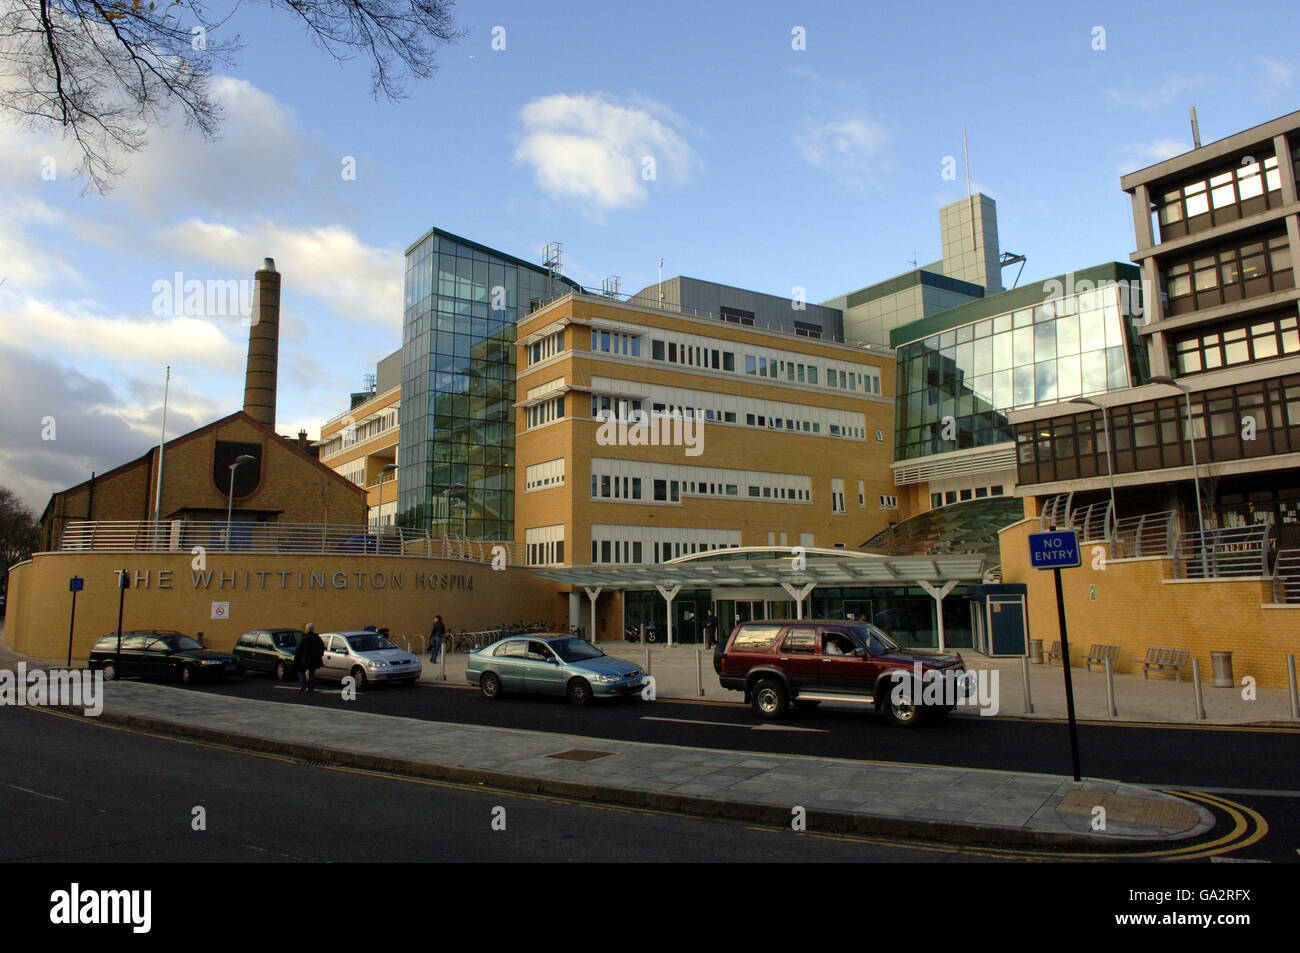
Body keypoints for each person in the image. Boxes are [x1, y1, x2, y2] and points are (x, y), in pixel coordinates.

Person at [294, 622, 325, 693]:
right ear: (313, 629)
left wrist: (297, 658)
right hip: (314, 659)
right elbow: (322, 648)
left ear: (307, 629)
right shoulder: (317, 638)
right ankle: (311, 688)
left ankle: (303, 685)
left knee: (300, 671)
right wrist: (319, 656)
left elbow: (298, 649)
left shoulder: (304, 638)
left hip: (304, 659)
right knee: (311, 673)